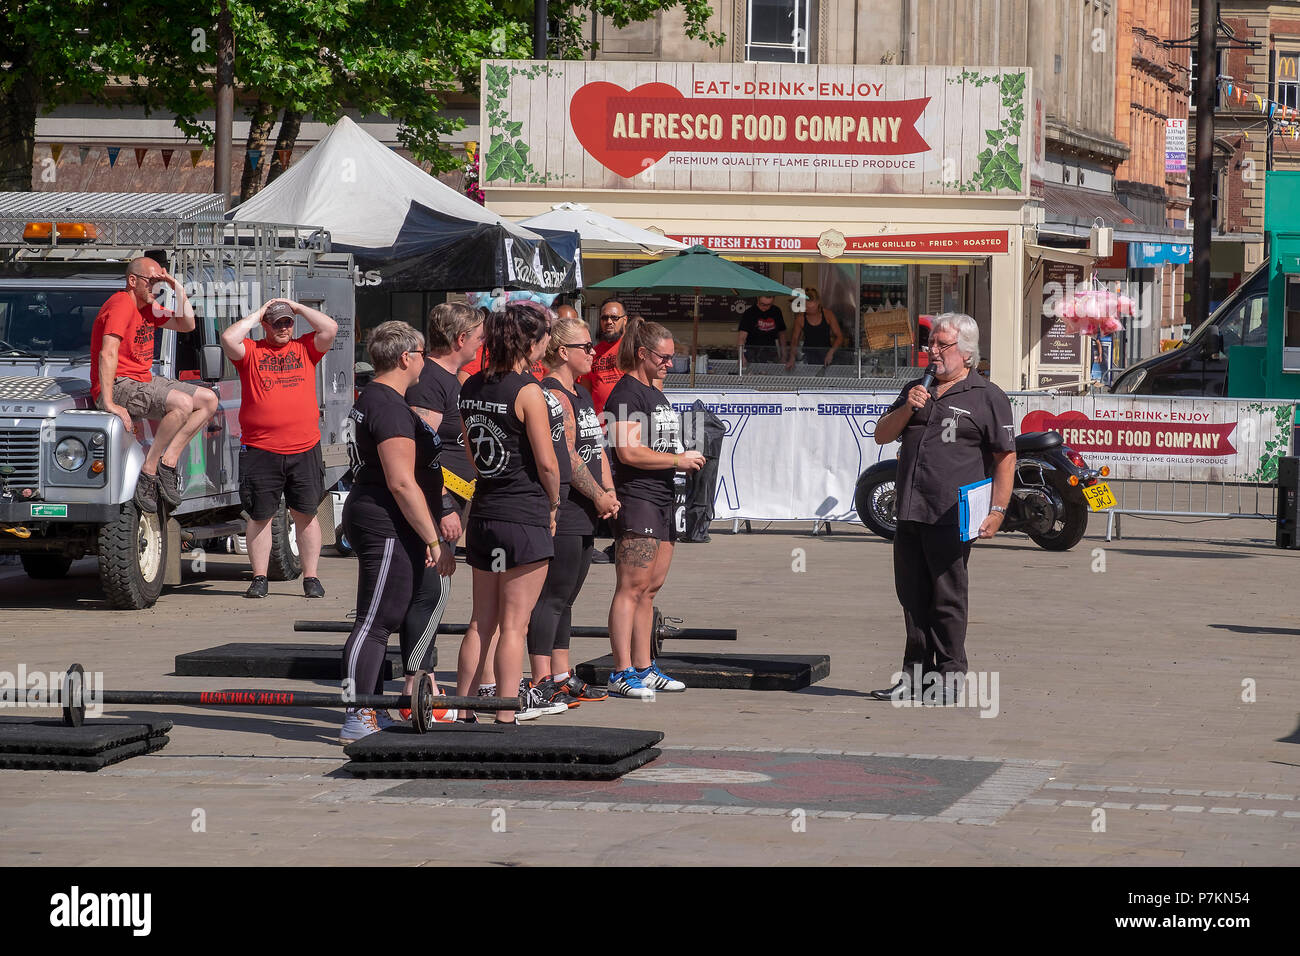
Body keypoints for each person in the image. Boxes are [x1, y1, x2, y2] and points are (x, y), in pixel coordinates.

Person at [866, 313, 1016, 705]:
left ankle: (950, 674)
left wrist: (998, 510)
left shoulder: (987, 396)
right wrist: (908, 407)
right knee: (912, 597)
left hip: (952, 513)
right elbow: (883, 435)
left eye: (940, 345)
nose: (931, 352)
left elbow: (1005, 457)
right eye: (929, 344)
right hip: (910, 510)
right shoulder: (916, 388)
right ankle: (915, 677)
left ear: (966, 352)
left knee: (946, 597)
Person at [339, 322, 456, 743]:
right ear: (406, 358)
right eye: (422, 352)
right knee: (375, 621)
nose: (425, 360)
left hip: (386, 517)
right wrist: (433, 540)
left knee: (381, 618)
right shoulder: (386, 405)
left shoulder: (385, 399)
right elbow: (401, 482)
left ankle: (366, 708)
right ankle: (355, 713)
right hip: (385, 520)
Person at [455, 302, 562, 724]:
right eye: (544, 339)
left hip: (484, 514)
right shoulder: (528, 391)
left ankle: (464, 710)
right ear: (530, 343)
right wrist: (553, 503)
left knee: (482, 622)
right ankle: (505, 715)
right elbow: (549, 462)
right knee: (515, 626)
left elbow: (470, 451)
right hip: (522, 513)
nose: (547, 345)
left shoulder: (471, 385)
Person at [604, 316, 705, 698]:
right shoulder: (625, 394)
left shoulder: (655, 393)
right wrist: (678, 461)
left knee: (650, 590)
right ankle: (620, 671)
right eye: (663, 358)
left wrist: (679, 459)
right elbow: (627, 451)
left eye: (673, 359)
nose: (669, 364)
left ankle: (644, 667)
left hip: (664, 498)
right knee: (630, 588)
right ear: (643, 354)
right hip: (638, 497)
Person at [527, 315, 620, 707]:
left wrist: (608, 489)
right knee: (550, 597)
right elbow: (563, 454)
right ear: (563, 352)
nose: (594, 352)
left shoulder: (579, 394)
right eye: (586, 347)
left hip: (586, 509)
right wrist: (598, 495)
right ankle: (540, 680)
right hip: (564, 508)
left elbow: (594, 449)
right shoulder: (553, 394)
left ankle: (563, 674)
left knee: (567, 598)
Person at [220, 298, 337, 599]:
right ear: (266, 326)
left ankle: (310, 577)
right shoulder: (252, 352)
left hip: (304, 447)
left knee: (306, 513)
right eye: (277, 323)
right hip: (261, 449)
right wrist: (259, 313)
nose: (284, 328)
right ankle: (259, 578)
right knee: (261, 515)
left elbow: (331, 328)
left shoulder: (305, 348)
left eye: (287, 322)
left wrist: (296, 308)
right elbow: (228, 338)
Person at [399, 302, 484, 711]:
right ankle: (418, 686)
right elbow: (419, 453)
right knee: (430, 593)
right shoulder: (430, 382)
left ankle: (425, 680)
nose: (483, 343)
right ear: (461, 339)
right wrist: (446, 505)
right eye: (479, 336)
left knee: (433, 592)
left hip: (448, 502)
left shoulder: (452, 380)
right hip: (434, 506)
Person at [90, 257, 218, 513]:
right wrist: (109, 401)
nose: (156, 288)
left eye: (160, 283)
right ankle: (148, 472)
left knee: (208, 400)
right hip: (120, 383)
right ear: (132, 280)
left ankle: (167, 463)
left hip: (143, 380)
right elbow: (107, 354)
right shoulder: (121, 304)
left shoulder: (148, 308)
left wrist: (177, 287)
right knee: (182, 403)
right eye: (152, 282)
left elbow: (187, 324)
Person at [580, 298, 628, 419]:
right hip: (600, 426)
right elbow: (586, 392)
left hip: (629, 423)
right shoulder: (592, 352)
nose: (609, 322)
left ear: (625, 320)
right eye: (604, 318)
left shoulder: (634, 348)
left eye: (614, 317)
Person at [785, 287, 845, 370]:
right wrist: (792, 357)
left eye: (812, 308)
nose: (809, 310)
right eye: (807, 308)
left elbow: (839, 337)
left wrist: (831, 352)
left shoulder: (828, 315)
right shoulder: (800, 318)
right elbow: (795, 339)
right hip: (807, 356)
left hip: (826, 354)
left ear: (818, 303)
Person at [737, 294, 787, 370]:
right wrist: (741, 357)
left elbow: (782, 334)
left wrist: (784, 355)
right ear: (758, 299)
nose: (765, 307)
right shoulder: (749, 313)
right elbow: (742, 337)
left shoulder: (776, 311)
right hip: (751, 351)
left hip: (770, 351)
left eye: (768, 305)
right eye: (762, 304)